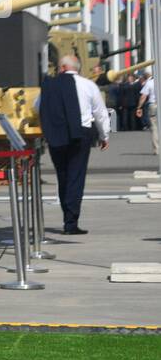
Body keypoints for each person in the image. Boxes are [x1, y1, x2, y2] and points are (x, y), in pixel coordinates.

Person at [35, 56, 109, 235]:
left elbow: (37, 106)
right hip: (80, 134)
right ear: (77, 68)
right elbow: (100, 112)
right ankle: (71, 222)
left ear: (62, 67)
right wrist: (104, 135)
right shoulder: (89, 85)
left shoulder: (50, 85)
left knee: (63, 176)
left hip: (56, 134)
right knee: (76, 175)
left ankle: (67, 216)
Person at [137, 69, 157, 155]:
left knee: (154, 128)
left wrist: (139, 107)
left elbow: (143, 96)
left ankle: (157, 149)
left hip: (153, 105)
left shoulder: (149, 83)